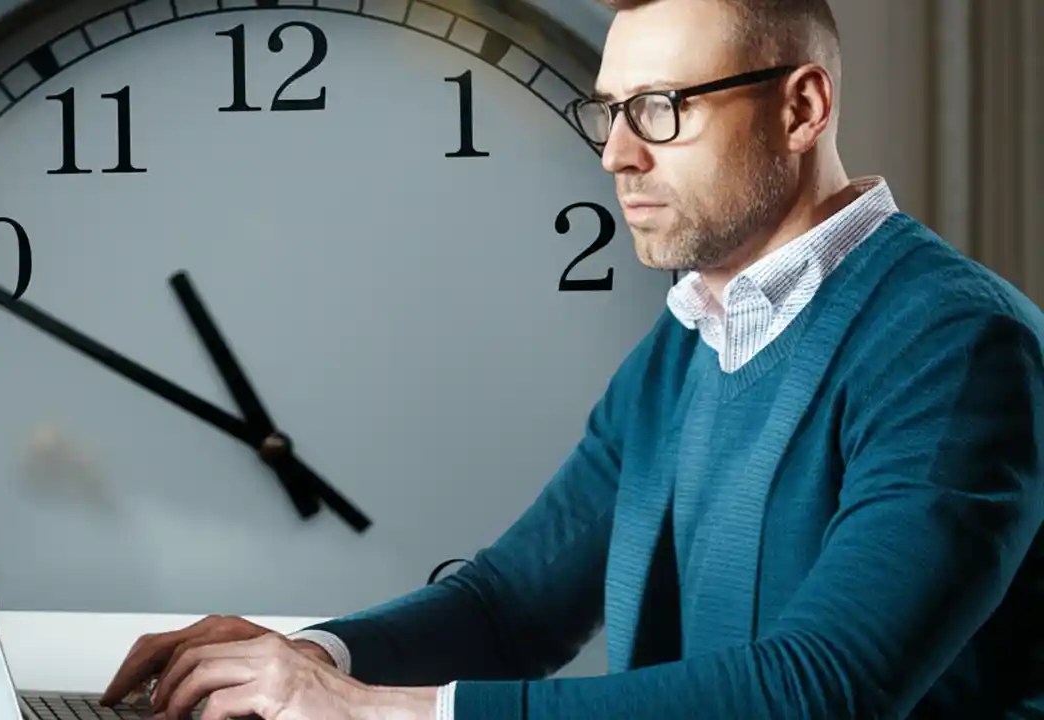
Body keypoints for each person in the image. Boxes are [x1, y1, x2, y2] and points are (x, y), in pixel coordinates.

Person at [100, 0, 1044, 716]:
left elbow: (826, 688)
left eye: (662, 108)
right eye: (612, 112)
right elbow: (512, 606)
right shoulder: (687, 343)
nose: (618, 155)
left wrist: (386, 711)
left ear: (801, 107)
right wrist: (310, 659)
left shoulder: (955, 344)